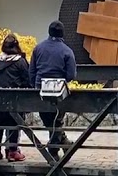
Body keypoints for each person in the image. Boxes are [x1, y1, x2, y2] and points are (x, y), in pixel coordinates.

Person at [31, 21, 76, 159]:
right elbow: (71, 75)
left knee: (49, 120)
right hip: (59, 89)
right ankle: (55, 149)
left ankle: (59, 146)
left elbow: (31, 71)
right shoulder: (67, 51)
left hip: (40, 88)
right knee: (57, 120)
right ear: (62, 33)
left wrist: (35, 85)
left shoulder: (38, 48)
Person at [0, 34, 31, 162]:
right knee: (15, 122)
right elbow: (27, 79)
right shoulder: (20, 61)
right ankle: (12, 151)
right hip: (15, 98)